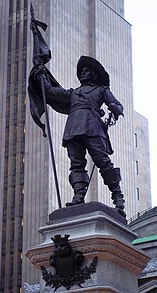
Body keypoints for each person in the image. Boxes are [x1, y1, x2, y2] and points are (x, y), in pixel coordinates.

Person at [35, 55, 125, 217]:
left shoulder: (101, 90)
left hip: (93, 127)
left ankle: (118, 196)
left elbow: (117, 104)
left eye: (86, 71)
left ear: (93, 75)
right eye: (81, 71)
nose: (83, 73)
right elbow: (50, 92)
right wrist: (41, 73)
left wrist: (114, 107)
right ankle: (78, 196)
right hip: (73, 128)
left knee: (103, 161)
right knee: (76, 164)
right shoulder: (73, 93)